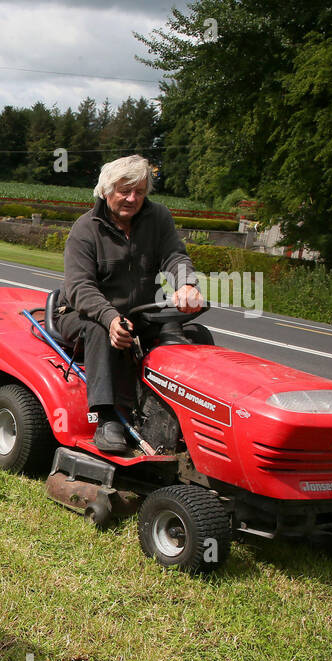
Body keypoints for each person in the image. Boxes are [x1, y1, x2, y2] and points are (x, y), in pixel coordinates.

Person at [59, 155, 203, 453]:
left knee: (196, 335)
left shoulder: (158, 218)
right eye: (124, 190)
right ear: (106, 191)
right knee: (102, 331)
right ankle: (108, 416)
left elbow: (174, 256)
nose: (132, 198)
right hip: (84, 313)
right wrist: (110, 318)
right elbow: (79, 287)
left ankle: (184, 412)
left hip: (139, 313)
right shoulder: (85, 229)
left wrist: (187, 284)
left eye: (139, 191)